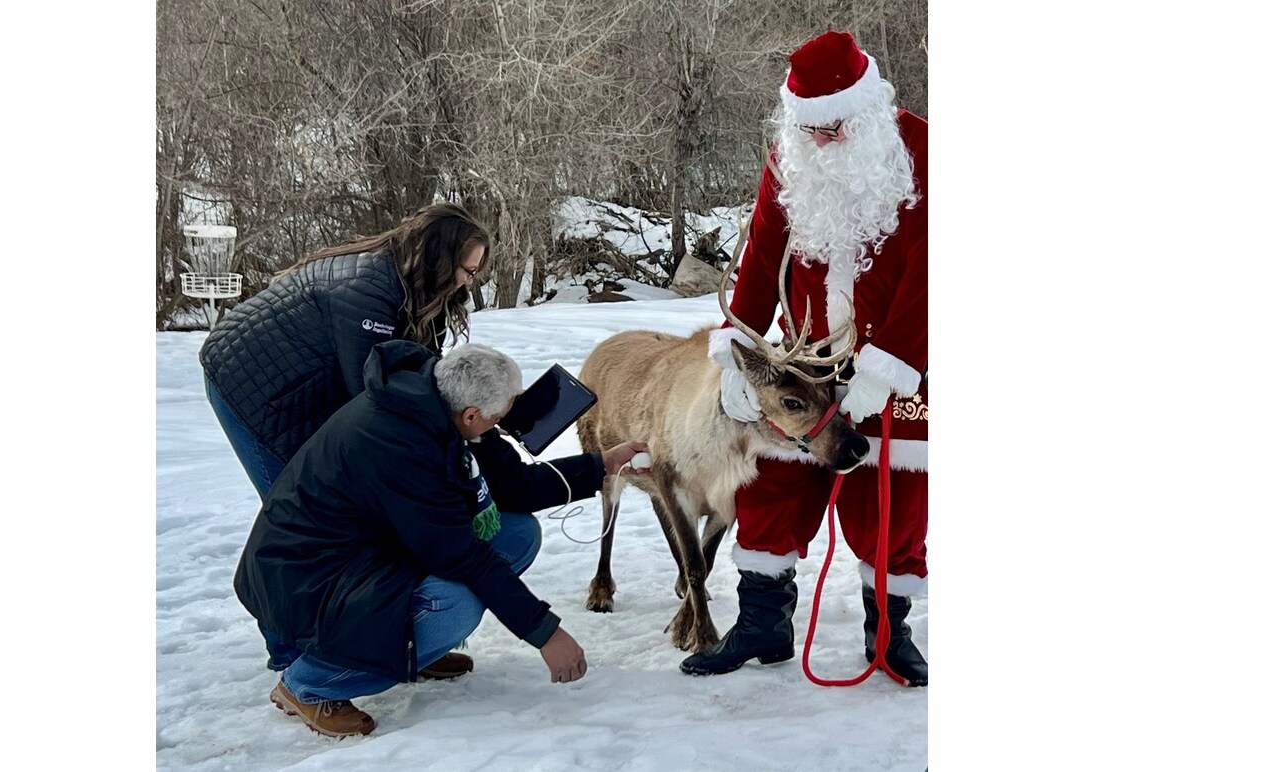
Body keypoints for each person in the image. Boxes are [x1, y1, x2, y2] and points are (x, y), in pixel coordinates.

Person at [234, 340, 649, 737]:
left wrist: (602, 465)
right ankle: (309, 684)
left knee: (517, 534)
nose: (506, 420)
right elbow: (459, 556)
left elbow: (515, 486)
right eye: (502, 412)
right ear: (471, 415)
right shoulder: (400, 443)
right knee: (456, 605)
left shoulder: (440, 404)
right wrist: (546, 634)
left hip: (369, 552)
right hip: (308, 578)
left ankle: (416, 648)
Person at [680, 30, 929, 686]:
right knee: (772, 486)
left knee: (891, 504)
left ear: (867, 109)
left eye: (833, 128)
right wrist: (736, 349)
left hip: (899, 362)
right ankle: (763, 625)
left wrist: (891, 364)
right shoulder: (788, 157)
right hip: (802, 360)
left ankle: (888, 633)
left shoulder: (926, 152)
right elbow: (764, 253)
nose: (819, 142)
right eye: (808, 130)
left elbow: (934, 272)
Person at [200, 202, 491, 501]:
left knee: (332, 497)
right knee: (298, 503)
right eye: (468, 271)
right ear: (438, 259)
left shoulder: (412, 285)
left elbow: (421, 370)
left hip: (303, 377)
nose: (468, 283)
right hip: (247, 378)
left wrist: (482, 412)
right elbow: (375, 394)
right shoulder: (367, 290)